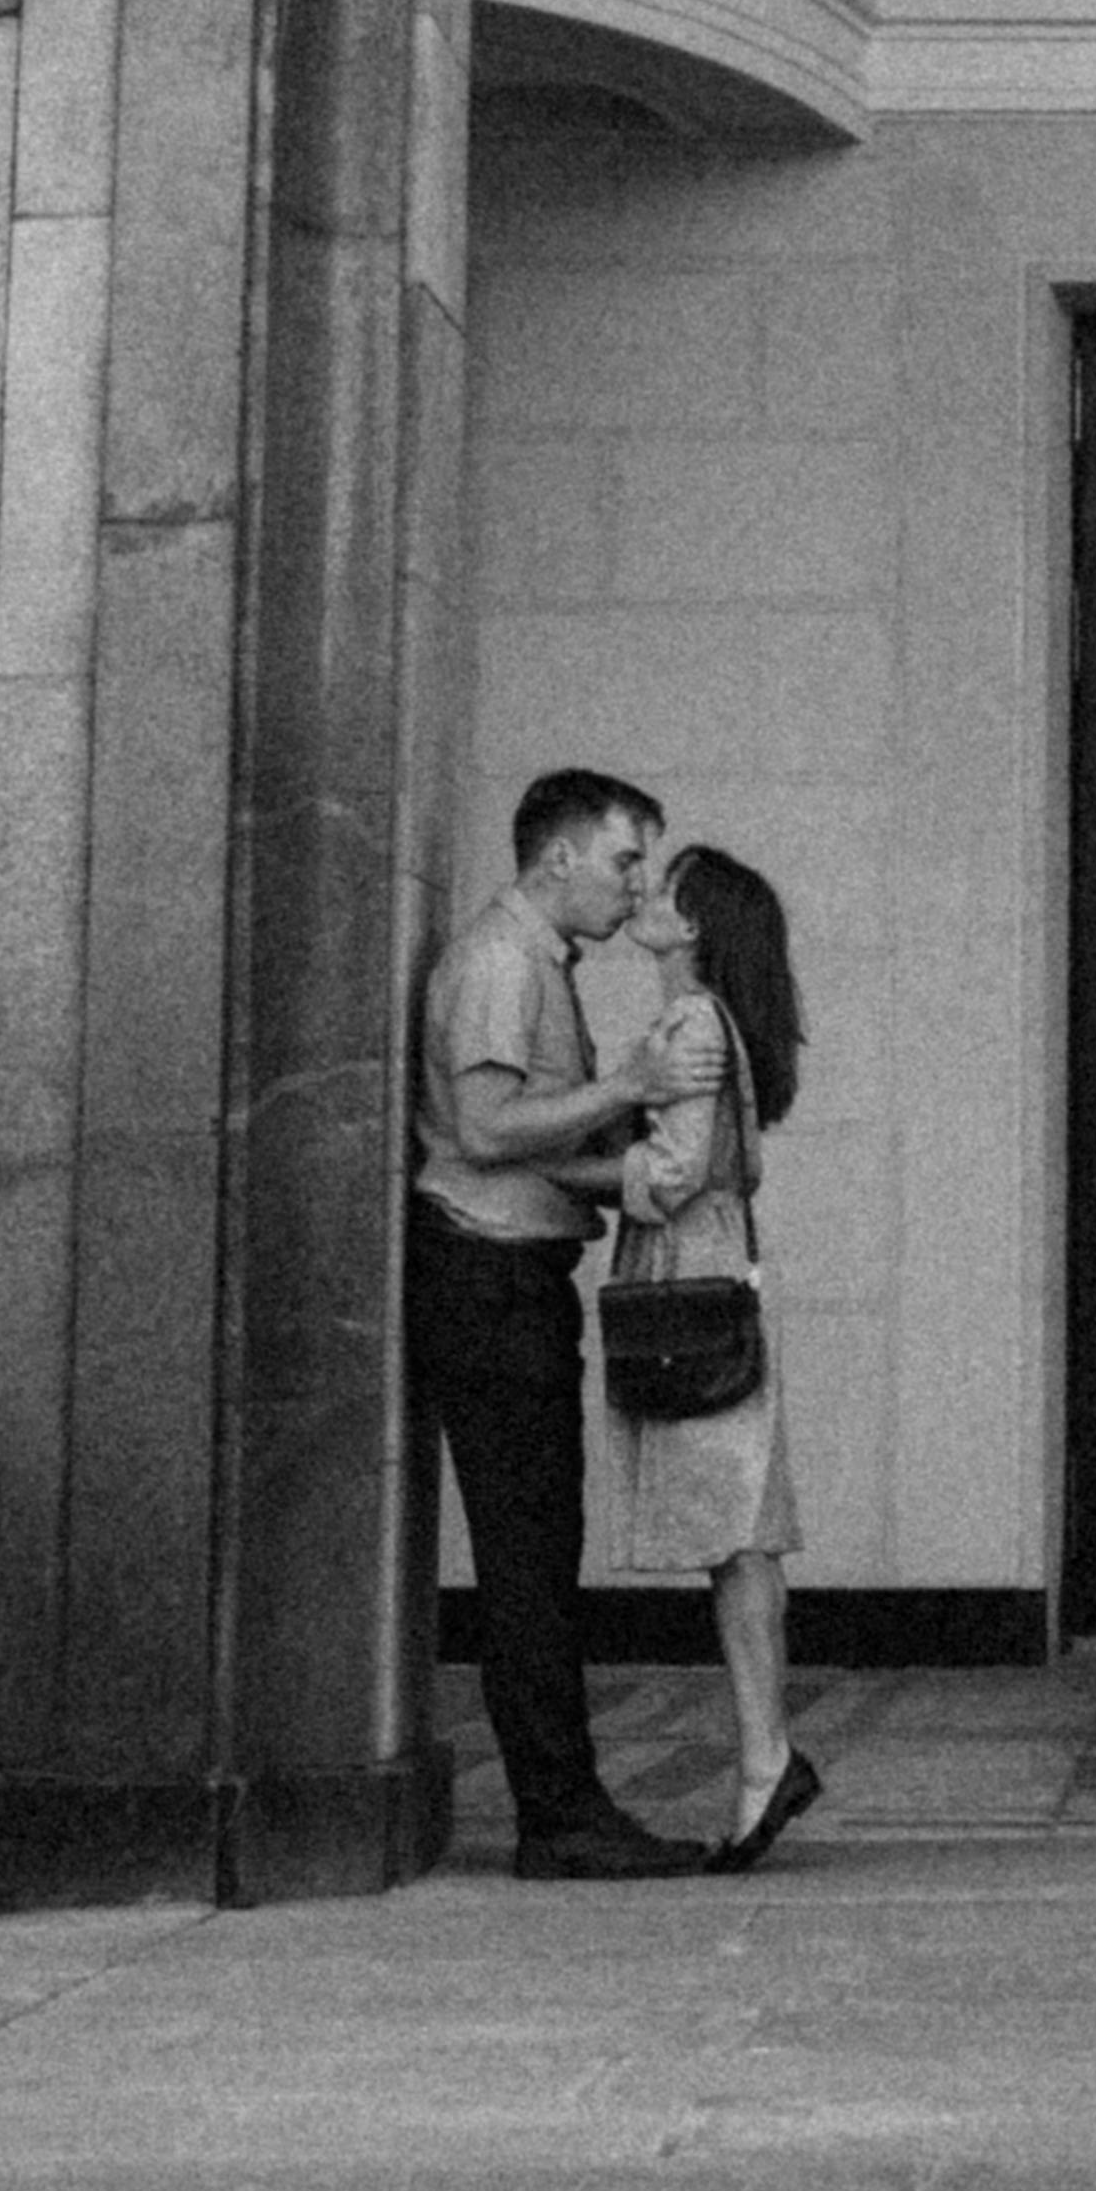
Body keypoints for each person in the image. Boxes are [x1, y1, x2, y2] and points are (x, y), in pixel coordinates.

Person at [408, 765, 690, 1881]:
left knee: (540, 1555)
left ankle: (564, 1806)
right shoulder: (497, 960)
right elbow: (483, 1129)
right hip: (487, 1280)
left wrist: (615, 1178)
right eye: (625, 861)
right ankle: (560, 1816)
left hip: (508, 1274)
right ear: (559, 856)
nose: (635, 887)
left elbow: (522, 1138)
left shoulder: (530, 959)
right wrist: (629, 1084)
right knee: (528, 1564)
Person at [597, 838, 821, 1872]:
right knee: (747, 1538)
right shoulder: (728, 1022)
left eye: (666, 886)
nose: (645, 891)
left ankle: (765, 1763)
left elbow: (678, 1168)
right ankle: (766, 1760)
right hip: (723, 1278)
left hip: (684, 1279)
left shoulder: (690, 1018)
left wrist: (577, 1164)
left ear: (696, 926)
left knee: (736, 1537)